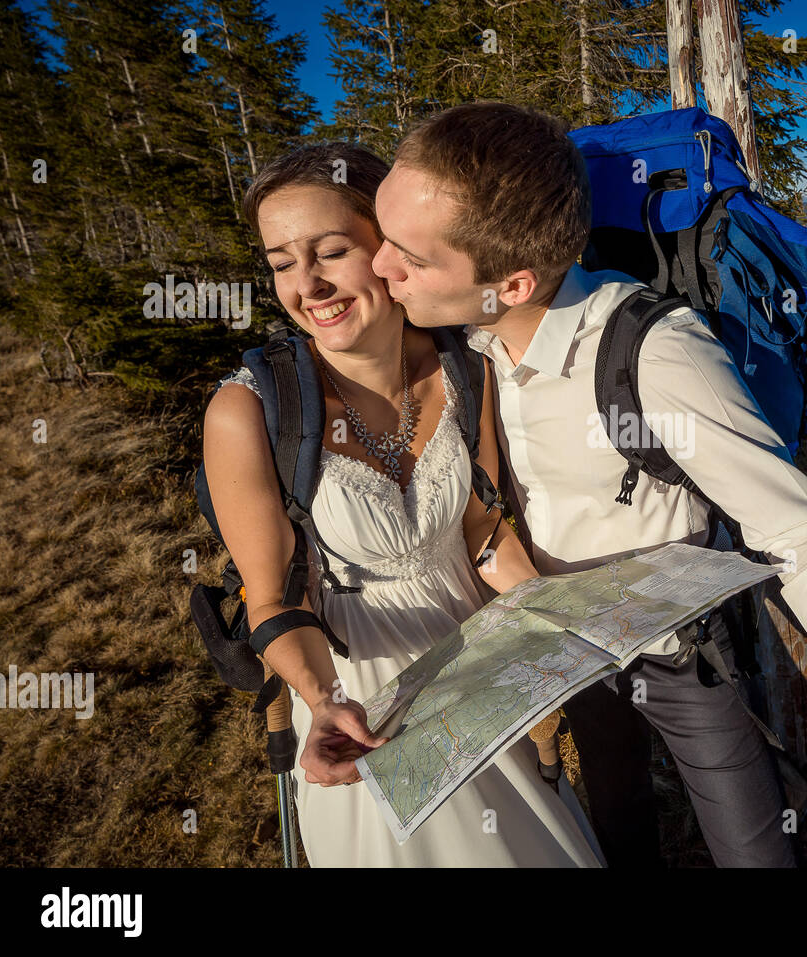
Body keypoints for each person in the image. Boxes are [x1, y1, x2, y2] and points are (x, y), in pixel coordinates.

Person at [366, 102, 807, 868]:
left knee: (755, 845)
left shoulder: (657, 352)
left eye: (408, 255)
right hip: (561, 642)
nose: (381, 268)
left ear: (513, 283)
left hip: (678, 650)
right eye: (382, 239)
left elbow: (798, 531)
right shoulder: (465, 336)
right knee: (617, 810)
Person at [201, 142, 602, 867]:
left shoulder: (468, 364)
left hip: (478, 666)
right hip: (359, 689)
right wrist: (325, 701)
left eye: (330, 251)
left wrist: (555, 625)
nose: (308, 286)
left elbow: (483, 532)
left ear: (389, 247)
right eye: (282, 263)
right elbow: (271, 597)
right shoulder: (250, 409)